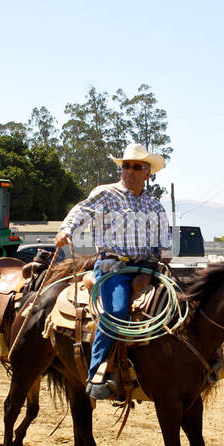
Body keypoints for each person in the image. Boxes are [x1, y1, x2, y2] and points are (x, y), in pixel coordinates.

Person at [53, 143, 172, 400]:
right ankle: (96, 373)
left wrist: (165, 252)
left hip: (147, 267)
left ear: (147, 173)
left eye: (136, 167)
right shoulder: (106, 194)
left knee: (179, 303)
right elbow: (80, 210)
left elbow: (165, 239)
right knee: (116, 312)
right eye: (126, 165)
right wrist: (66, 230)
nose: (129, 170)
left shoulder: (155, 207)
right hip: (113, 267)